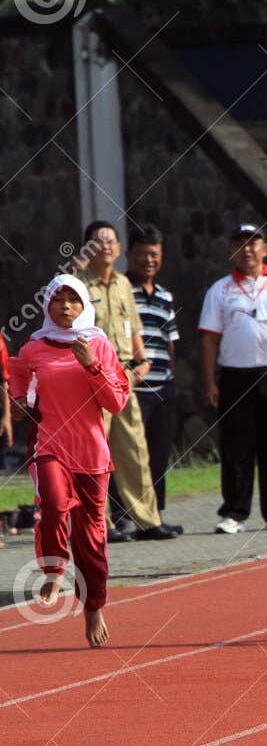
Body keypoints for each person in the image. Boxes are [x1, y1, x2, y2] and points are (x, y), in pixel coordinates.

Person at [7, 276, 123, 646]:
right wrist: (19, 400)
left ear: (85, 304)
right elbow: (17, 380)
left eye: (74, 300)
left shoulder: (99, 345)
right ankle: (54, 568)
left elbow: (116, 403)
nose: (66, 307)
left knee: (91, 536)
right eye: (59, 300)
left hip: (91, 452)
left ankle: (93, 607)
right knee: (54, 506)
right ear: (47, 306)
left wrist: (92, 366)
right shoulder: (34, 348)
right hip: (51, 446)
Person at [198, 223, 267, 533]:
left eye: (253, 243)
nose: (247, 250)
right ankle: (234, 512)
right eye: (240, 244)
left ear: (265, 249)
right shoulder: (219, 290)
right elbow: (208, 338)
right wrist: (209, 381)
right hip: (235, 374)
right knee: (237, 444)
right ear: (231, 251)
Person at [77, 221, 179, 542]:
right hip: (92, 377)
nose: (105, 246)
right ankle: (101, 523)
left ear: (119, 249)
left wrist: (143, 359)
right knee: (97, 454)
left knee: (135, 450)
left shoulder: (123, 284)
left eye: (111, 241)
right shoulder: (77, 285)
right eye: (98, 241)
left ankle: (147, 520)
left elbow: (133, 328)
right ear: (87, 249)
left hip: (123, 377)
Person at [126, 224, 179, 514]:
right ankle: (126, 513)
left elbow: (170, 341)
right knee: (131, 455)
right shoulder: (122, 290)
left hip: (163, 387)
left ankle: (155, 514)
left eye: (155, 254)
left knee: (158, 455)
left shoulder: (165, 296)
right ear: (130, 255)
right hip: (133, 387)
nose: (149, 260)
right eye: (143, 254)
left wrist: (173, 380)